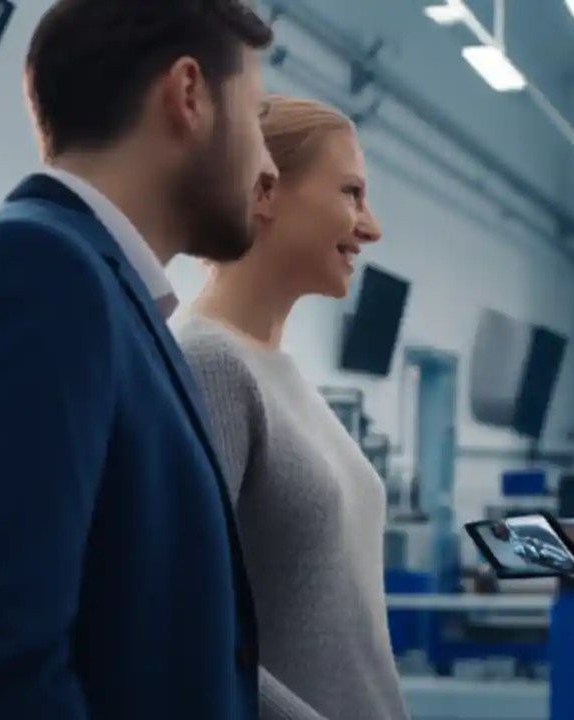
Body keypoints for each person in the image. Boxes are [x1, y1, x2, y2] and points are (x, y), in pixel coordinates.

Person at [0, 1, 272, 717]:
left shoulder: (105, 296)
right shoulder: (38, 272)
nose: (267, 165)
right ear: (188, 94)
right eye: (259, 115)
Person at [172, 95, 406, 720]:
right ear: (264, 192)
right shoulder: (209, 363)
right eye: (351, 193)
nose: (371, 227)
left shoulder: (278, 370)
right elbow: (186, 631)